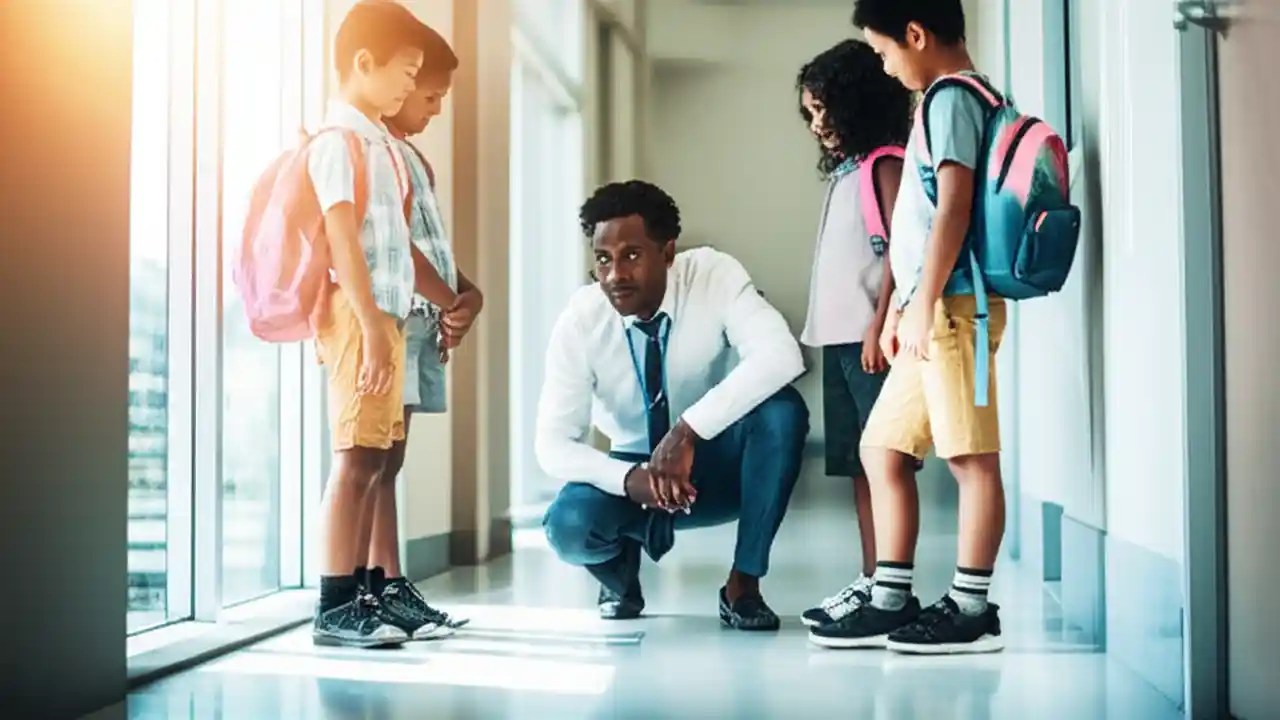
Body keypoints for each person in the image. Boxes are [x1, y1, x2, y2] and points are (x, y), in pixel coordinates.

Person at [809, 0, 1007, 654]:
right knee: (881, 448)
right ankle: (889, 594)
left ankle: (971, 608)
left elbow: (952, 206)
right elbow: (916, 229)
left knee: (970, 459)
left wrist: (919, 304)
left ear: (916, 35)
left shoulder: (952, 98)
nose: (888, 68)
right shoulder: (939, 101)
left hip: (954, 308)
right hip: (929, 308)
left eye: (887, 51)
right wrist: (902, 307)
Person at [536, 181, 808, 631]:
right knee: (567, 524)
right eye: (603, 259)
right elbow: (551, 445)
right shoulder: (581, 319)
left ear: (667, 252)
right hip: (633, 476)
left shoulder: (712, 275)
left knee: (782, 412)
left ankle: (743, 586)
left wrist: (687, 432)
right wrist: (630, 480)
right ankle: (619, 580)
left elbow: (782, 355)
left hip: (710, 467)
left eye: (632, 255)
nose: (615, 275)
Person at [308, 0, 438, 648]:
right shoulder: (338, 145)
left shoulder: (380, 144)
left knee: (375, 458)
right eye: (406, 72)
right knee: (355, 459)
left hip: (384, 314)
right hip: (360, 315)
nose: (412, 86)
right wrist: (369, 326)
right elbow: (342, 243)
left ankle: (363, 594)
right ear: (363, 63)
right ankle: (335, 607)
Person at [352, 20, 485, 640]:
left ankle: (389, 582)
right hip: (393, 318)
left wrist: (462, 291)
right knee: (376, 458)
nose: (431, 107)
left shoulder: (407, 155)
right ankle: (375, 587)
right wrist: (454, 295)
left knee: (392, 458)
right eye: (427, 94)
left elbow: (428, 245)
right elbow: (397, 248)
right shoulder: (374, 150)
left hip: (420, 317)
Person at [793, 40, 913, 631]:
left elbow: (899, 251)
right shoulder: (846, 173)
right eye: (810, 114)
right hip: (841, 344)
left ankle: (893, 585)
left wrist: (880, 323)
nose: (818, 125)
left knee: (883, 463)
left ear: (858, 103)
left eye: (824, 110)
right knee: (857, 470)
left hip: (869, 344)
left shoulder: (884, 163)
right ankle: (874, 582)